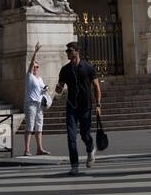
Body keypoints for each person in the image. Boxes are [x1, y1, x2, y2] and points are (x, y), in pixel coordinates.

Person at [55, 42, 101, 175]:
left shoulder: (88, 67)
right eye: (66, 51)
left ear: (76, 51)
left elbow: (96, 87)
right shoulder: (65, 70)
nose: (67, 53)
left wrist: (98, 104)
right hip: (71, 106)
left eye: (69, 51)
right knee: (71, 136)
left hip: (86, 106)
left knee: (85, 134)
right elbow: (60, 87)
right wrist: (58, 89)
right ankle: (74, 165)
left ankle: (90, 147)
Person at [23, 42, 51, 157]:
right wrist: (35, 52)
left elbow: (42, 89)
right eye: (34, 66)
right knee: (30, 126)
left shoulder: (39, 78)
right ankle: (27, 150)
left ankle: (39, 149)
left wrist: (45, 89)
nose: (36, 68)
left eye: (37, 67)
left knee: (39, 126)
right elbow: (30, 64)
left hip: (39, 104)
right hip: (31, 103)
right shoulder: (30, 76)